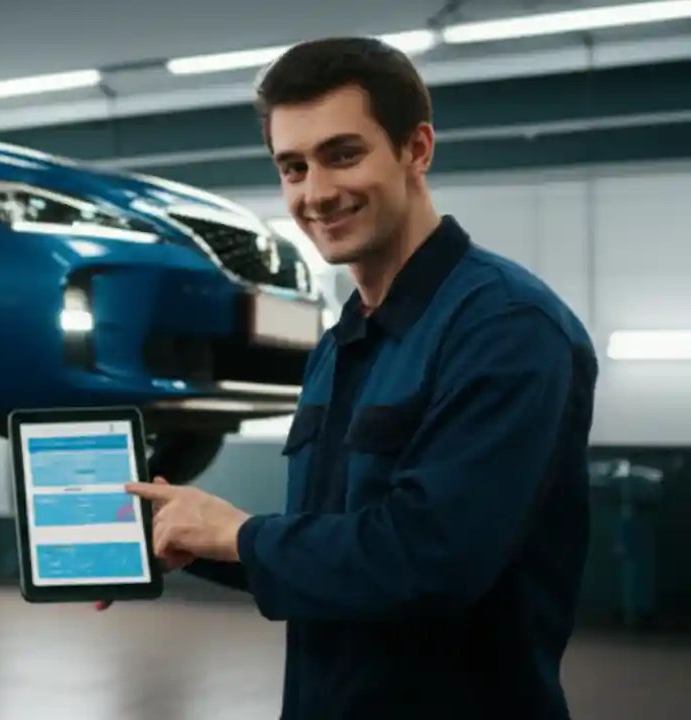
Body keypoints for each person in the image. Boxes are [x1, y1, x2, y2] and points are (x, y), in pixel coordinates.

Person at [123, 36, 598, 719]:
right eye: (292, 167)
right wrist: (188, 537)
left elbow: (431, 560)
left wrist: (238, 534)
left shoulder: (508, 328)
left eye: (343, 155)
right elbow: (336, 557)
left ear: (417, 149)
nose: (316, 193)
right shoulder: (341, 341)